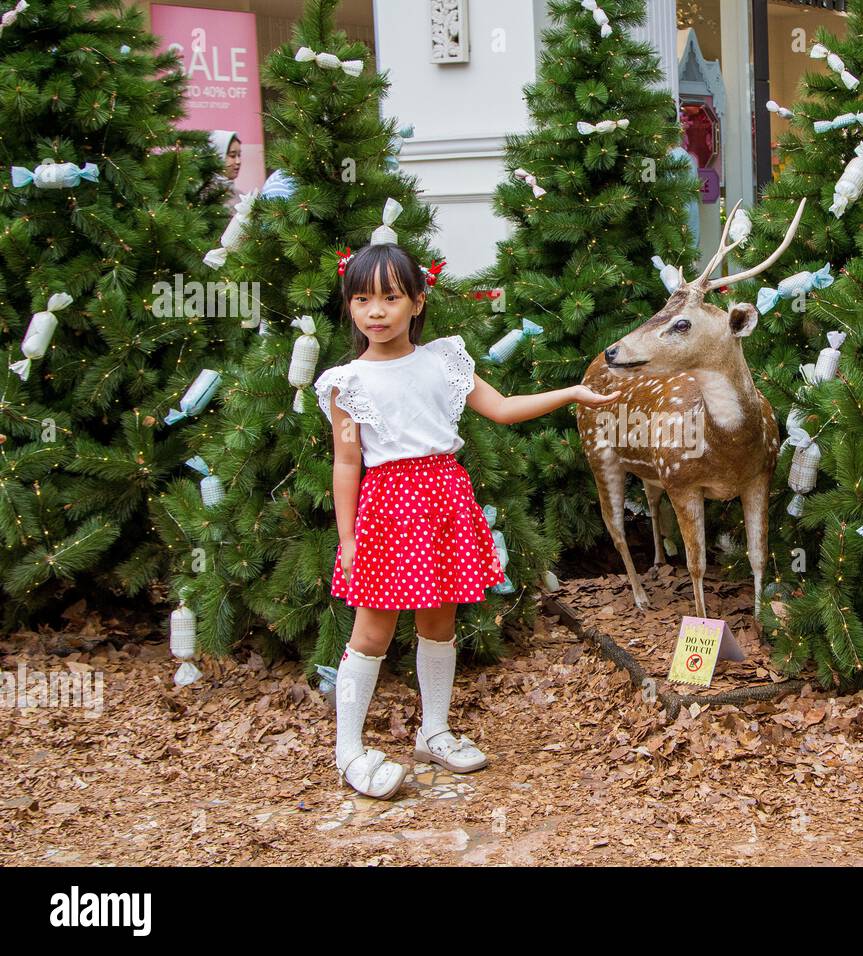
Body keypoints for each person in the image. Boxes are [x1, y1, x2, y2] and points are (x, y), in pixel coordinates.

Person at [312, 206, 621, 800]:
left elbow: (501, 408)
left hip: (444, 501)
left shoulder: (443, 361)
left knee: (439, 623)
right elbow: (347, 462)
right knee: (371, 632)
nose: (376, 311)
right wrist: (348, 538)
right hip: (387, 510)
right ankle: (348, 750)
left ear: (417, 301)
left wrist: (572, 392)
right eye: (362, 300)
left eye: (391, 298)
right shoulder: (347, 383)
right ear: (349, 306)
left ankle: (434, 731)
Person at [203, 130, 242, 210]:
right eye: (232, 156)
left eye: (239, 155)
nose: (238, 162)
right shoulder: (202, 197)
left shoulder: (240, 197)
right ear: (217, 157)